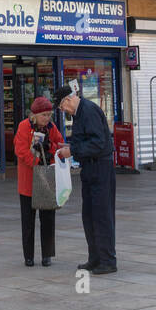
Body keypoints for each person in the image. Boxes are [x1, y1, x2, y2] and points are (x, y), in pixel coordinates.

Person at [56, 83, 116, 274]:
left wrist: (71, 150)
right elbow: (85, 139)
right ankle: (95, 258)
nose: (63, 111)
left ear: (68, 100)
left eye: (61, 107)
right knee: (89, 215)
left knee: (101, 215)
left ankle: (108, 260)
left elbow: (98, 143)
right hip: (89, 168)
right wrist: (68, 146)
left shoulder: (88, 110)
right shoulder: (79, 113)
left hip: (100, 167)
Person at [13, 96, 64, 267]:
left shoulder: (51, 127)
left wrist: (50, 150)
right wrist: (36, 161)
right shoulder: (23, 127)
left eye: (49, 114)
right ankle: (28, 256)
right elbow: (20, 151)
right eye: (44, 115)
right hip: (28, 180)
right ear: (34, 115)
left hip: (47, 179)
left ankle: (47, 255)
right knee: (28, 221)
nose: (47, 118)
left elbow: (60, 143)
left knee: (48, 218)